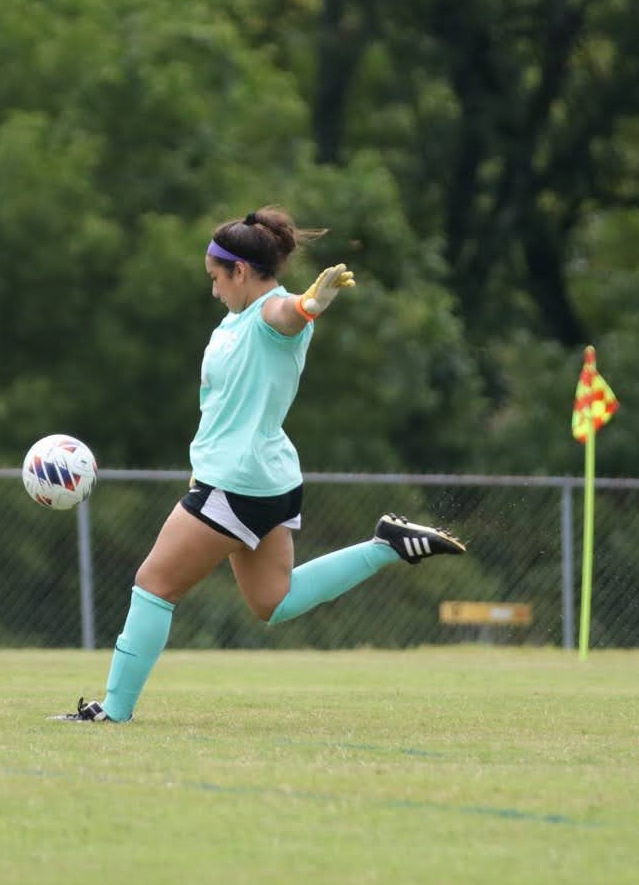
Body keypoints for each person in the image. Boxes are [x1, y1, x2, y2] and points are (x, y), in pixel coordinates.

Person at [53, 207, 467, 723]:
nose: (213, 290)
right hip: (261, 478)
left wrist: (310, 304)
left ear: (240, 271)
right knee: (274, 602)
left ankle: (113, 711)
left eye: (215, 278)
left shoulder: (271, 314)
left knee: (154, 585)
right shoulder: (236, 320)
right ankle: (386, 545)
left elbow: (287, 315)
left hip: (238, 483)